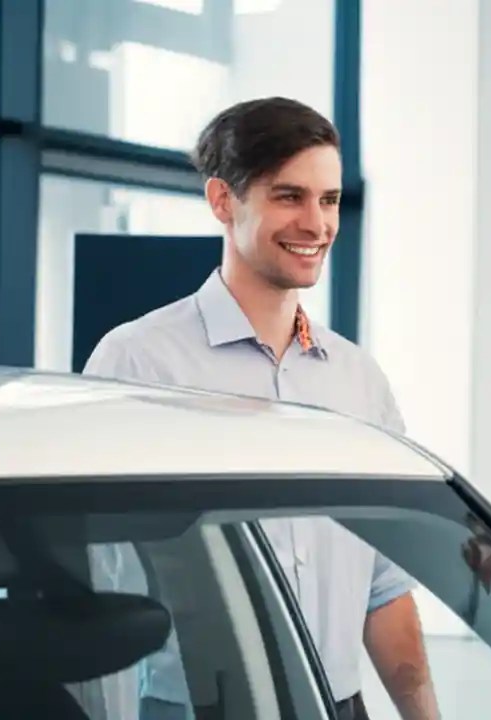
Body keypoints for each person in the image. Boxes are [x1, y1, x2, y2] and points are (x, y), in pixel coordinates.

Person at [83, 97, 439, 720]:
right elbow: (100, 580)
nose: (317, 223)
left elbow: (384, 584)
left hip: (338, 707)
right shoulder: (140, 364)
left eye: (328, 200)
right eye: (289, 196)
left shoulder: (358, 380)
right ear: (223, 201)